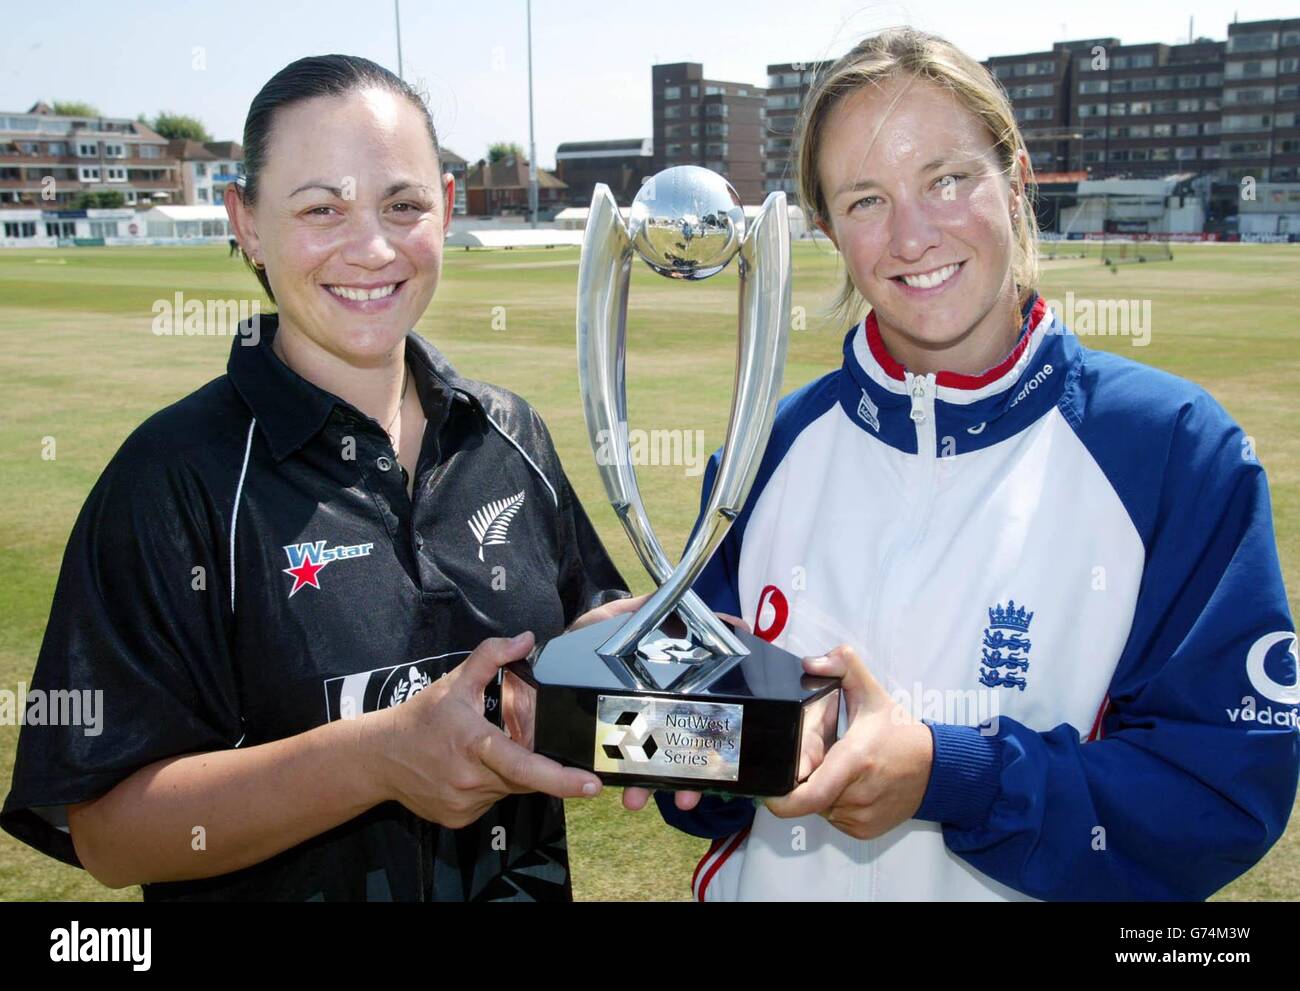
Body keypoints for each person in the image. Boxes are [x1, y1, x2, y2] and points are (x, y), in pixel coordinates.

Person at [625, 26, 1299, 901]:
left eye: (946, 180)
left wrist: (960, 775)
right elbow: (710, 797)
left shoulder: (1174, 449)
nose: (913, 236)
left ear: (1015, 180)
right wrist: (655, 708)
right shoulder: (765, 451)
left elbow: (1222, 786)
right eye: (866, 200)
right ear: (826, 227)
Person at [1, 54, 634, 901]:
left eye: (402, 205)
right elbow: (110, 834)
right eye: (321, 209)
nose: (371, 248)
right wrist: (376, 758)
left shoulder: (508, 434)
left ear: (445, 210)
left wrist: (675, 656)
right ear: (248, 222)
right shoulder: (172, 479)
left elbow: (584, 641)